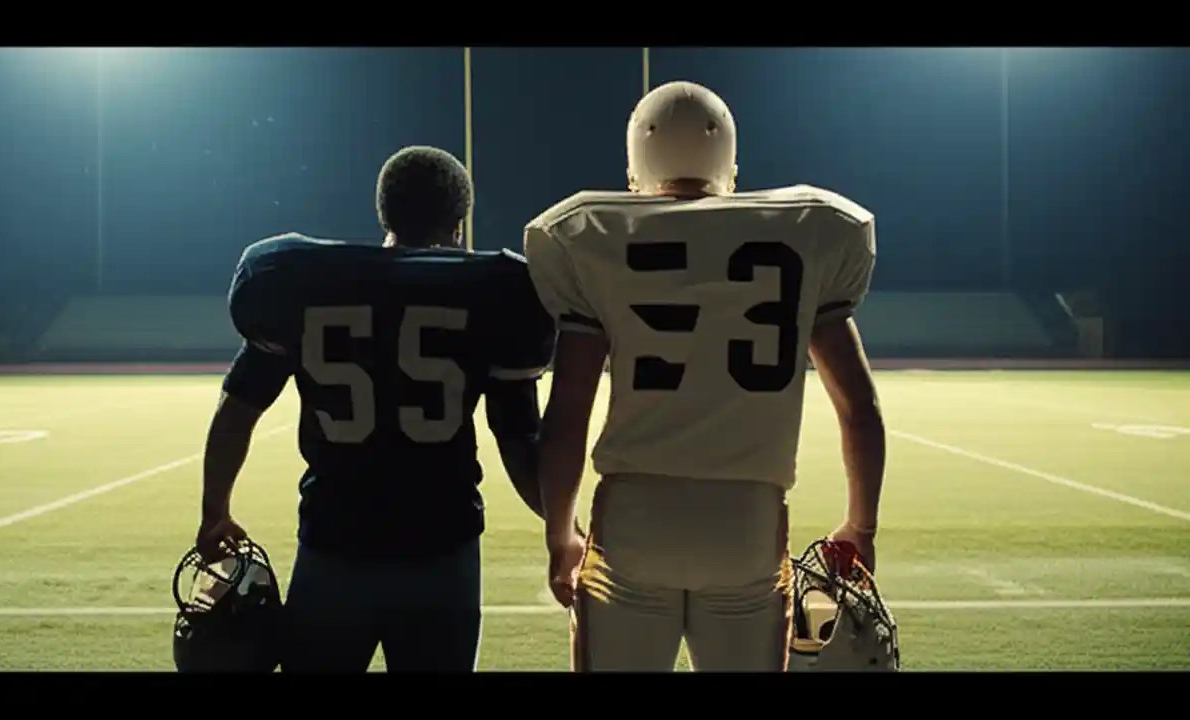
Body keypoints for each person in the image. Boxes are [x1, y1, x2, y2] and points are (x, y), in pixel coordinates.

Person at [524, 81, 885, 671]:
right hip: (748, 524)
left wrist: (560, 533)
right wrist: (861, 524)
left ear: (634, 171)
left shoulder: (595, 236)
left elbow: (567, 414)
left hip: (634, 522)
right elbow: (860, 408)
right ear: (732, 168)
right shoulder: (807, 232)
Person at [195, 145, 556, 672]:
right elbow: (518, 437)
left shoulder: (302, 283)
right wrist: (562, 527)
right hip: (442, 548)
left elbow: (238, 409)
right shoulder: (492, 295)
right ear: (460, 221)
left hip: (334, 544)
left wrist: (214, 511)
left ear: (383, 212)